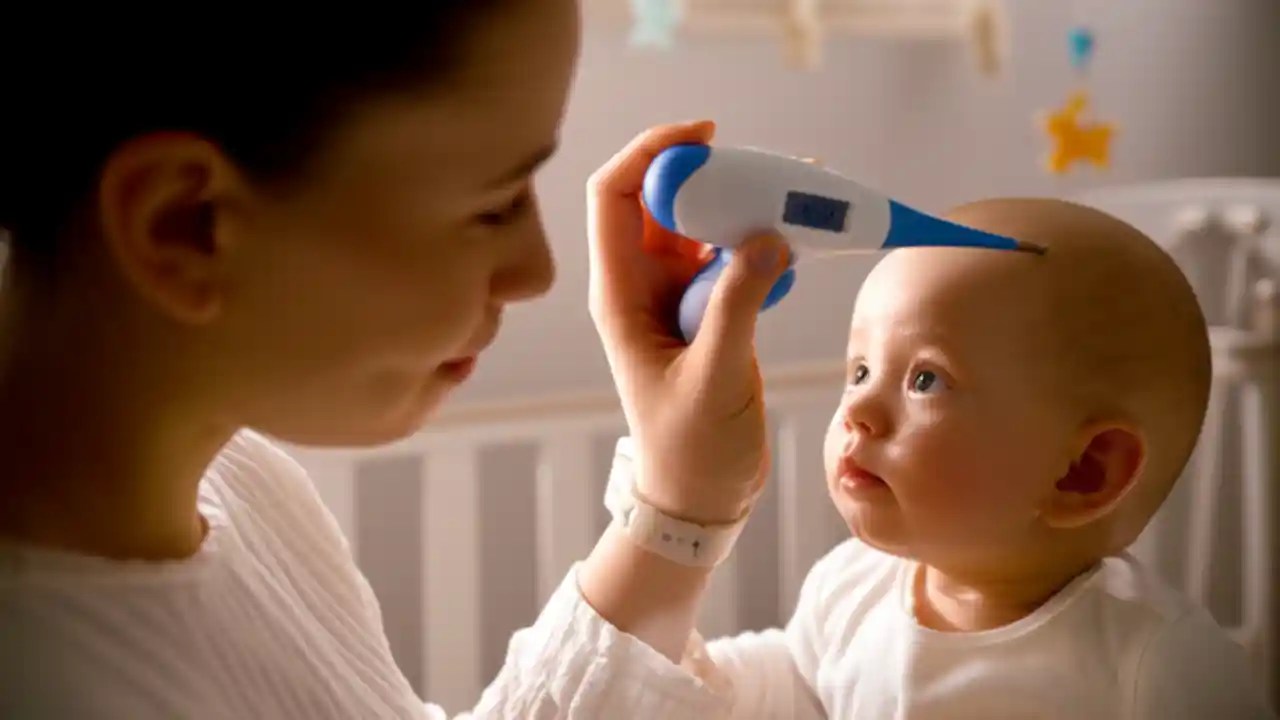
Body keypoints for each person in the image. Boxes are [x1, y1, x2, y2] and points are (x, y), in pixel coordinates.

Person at [0, 2, 791, 717]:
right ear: (186, 224)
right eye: (494, 206)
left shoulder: (238, 479)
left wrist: (681, 497)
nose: (538, 273)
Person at [677, 198, 1274, 718]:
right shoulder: (851, 583)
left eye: (926, 381)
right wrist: (682, 669)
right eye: (860, 371)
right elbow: (792, 682)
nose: (858, 409)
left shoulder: (1154, 666)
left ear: (1081, 472)